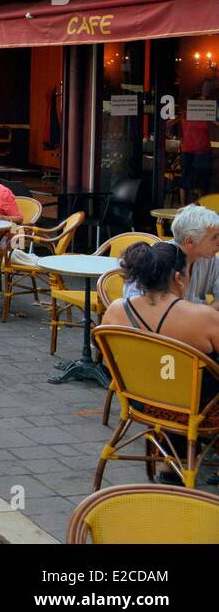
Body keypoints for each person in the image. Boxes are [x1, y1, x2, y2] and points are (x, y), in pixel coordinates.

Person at [100, 241, 219, 484]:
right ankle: (176, 463)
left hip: (140, 399)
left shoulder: (115, 310)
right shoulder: (202, 317)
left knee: (170, 377)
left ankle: (170, 467)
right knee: (188, 381)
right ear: (178, 277)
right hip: (196, 409)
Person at [123, 204, 219, 310]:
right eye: (214, 237)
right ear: (190, 241)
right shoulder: (155, 258)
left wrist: (200, 315)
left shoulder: (212, 260)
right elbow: (135, 302)